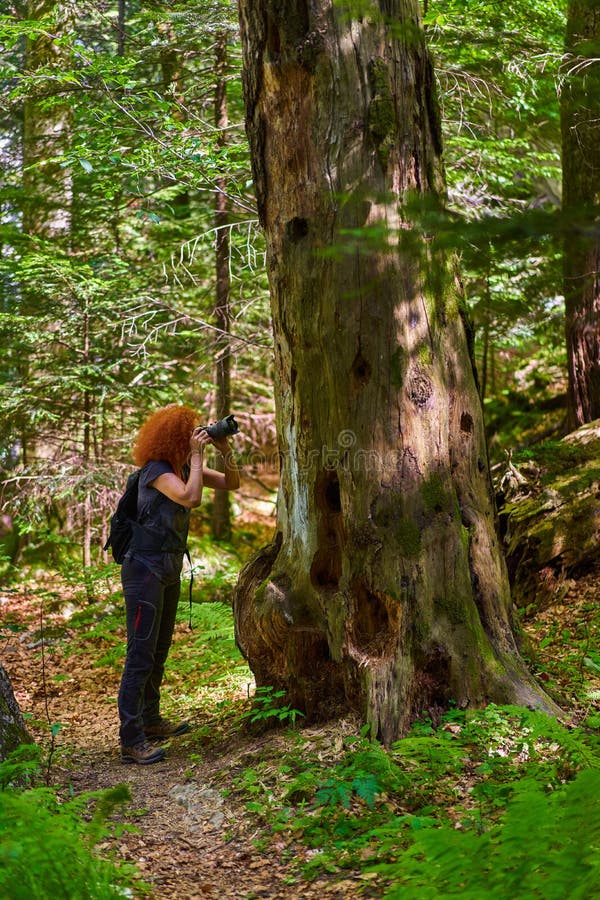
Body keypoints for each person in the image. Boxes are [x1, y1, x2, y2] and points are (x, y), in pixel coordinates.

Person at [118, 404, 240, 765]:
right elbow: (192, 497)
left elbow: (232, 484)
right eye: (187, 432)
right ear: (174, 437)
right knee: (140, 653)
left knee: (159, 648)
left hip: (167, 567)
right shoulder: (155, 472)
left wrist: (226, 451)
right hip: (143, 568)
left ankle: (151, 720)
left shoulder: (185, 468)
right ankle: (131, 737)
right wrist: (199, 458)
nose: (194, 436)